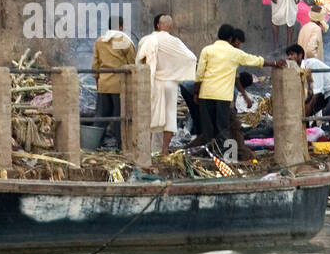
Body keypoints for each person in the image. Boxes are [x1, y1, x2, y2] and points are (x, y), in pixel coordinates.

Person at [194, 28, 277, 153]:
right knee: (223, 128)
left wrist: (196, 93)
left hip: (206, 94)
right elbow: (254, 60)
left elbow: (200, 74)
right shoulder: (234, 53)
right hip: (223, 97)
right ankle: (224, 157)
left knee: (208, 129)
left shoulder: (207, 50)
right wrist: (274, 63)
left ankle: (208, 155)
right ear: (231, 39)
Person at [136, 15, 197, 156]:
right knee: (169, 118)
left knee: (149, 115)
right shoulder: (175, 42)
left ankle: (145, 150)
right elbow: (191, 58)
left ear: (158, 25)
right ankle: (164, 151)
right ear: (170, 27)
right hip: (170, 84)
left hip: (153, 82)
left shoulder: (146, 40)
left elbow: (141, 61)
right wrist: (175, 72)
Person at [91, 29, 136, 150]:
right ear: (121, 27)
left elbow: (95, 64)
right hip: (119, 85)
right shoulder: (124, 41)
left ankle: (93, 144)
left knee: (101, 116)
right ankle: (121, 145)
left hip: (104, 83)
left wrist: (97, 79)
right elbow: (132, 63)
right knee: (118, 116)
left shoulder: (100, 41)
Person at [302, 53, 330, 139]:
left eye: (292, 54)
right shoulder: (299, 70)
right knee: (303, 110)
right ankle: (305, 139)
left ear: (300, 55)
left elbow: (317, 91)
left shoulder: (312, 64)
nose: (290, 57)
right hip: (324, 92)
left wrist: (309, 107)